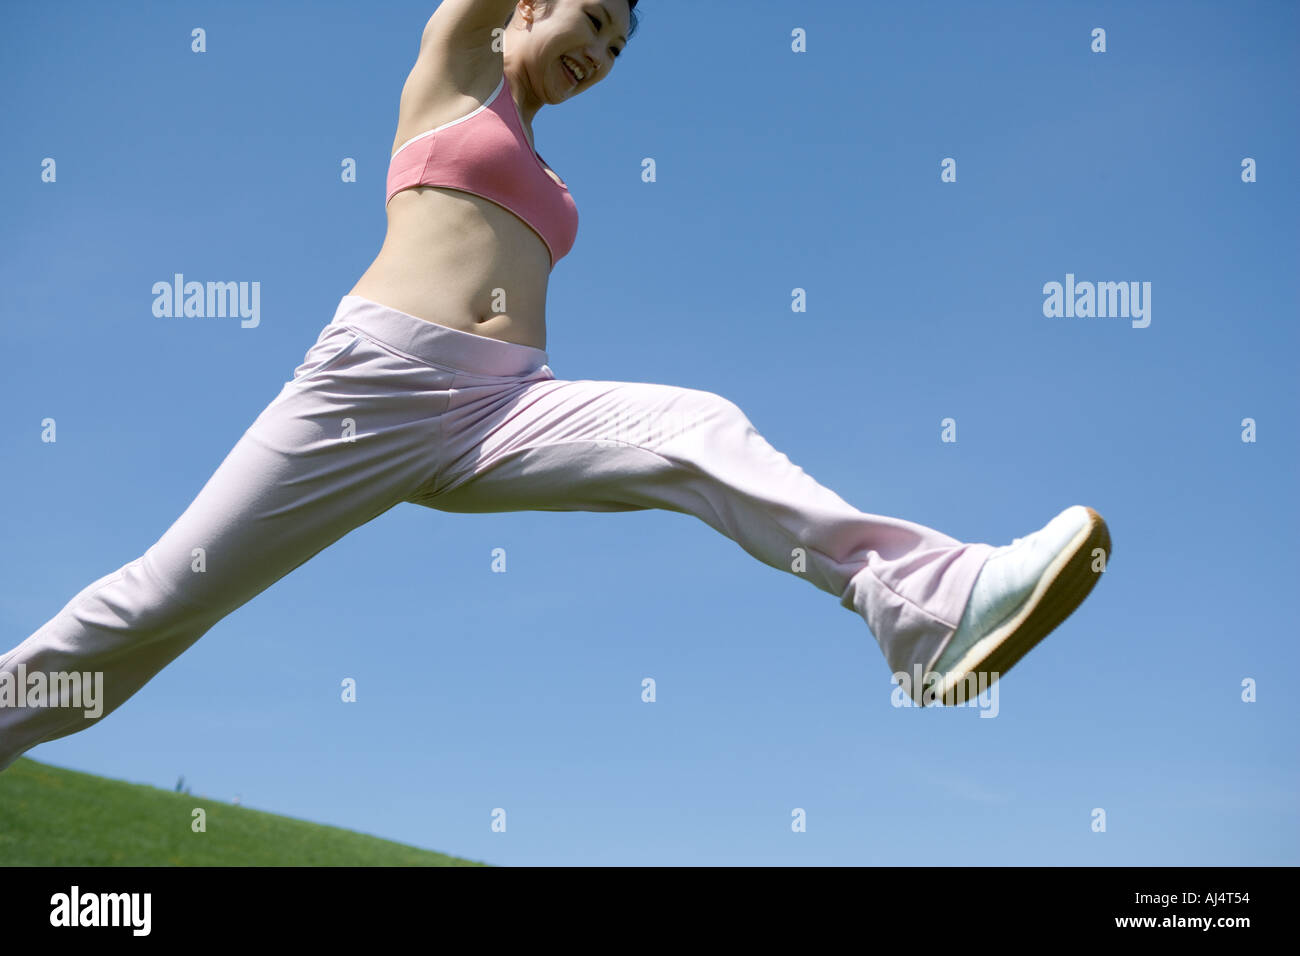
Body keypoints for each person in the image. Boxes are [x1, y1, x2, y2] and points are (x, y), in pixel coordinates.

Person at [0, 0, 1110, 771]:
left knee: (695, 425)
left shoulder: (552, 170)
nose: (603, 53)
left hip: (504, 405)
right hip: (372, 388)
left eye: (622, 47)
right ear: (528, 8)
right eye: (592, 21)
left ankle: (923, 607)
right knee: (155, 607)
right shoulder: (454, 76)